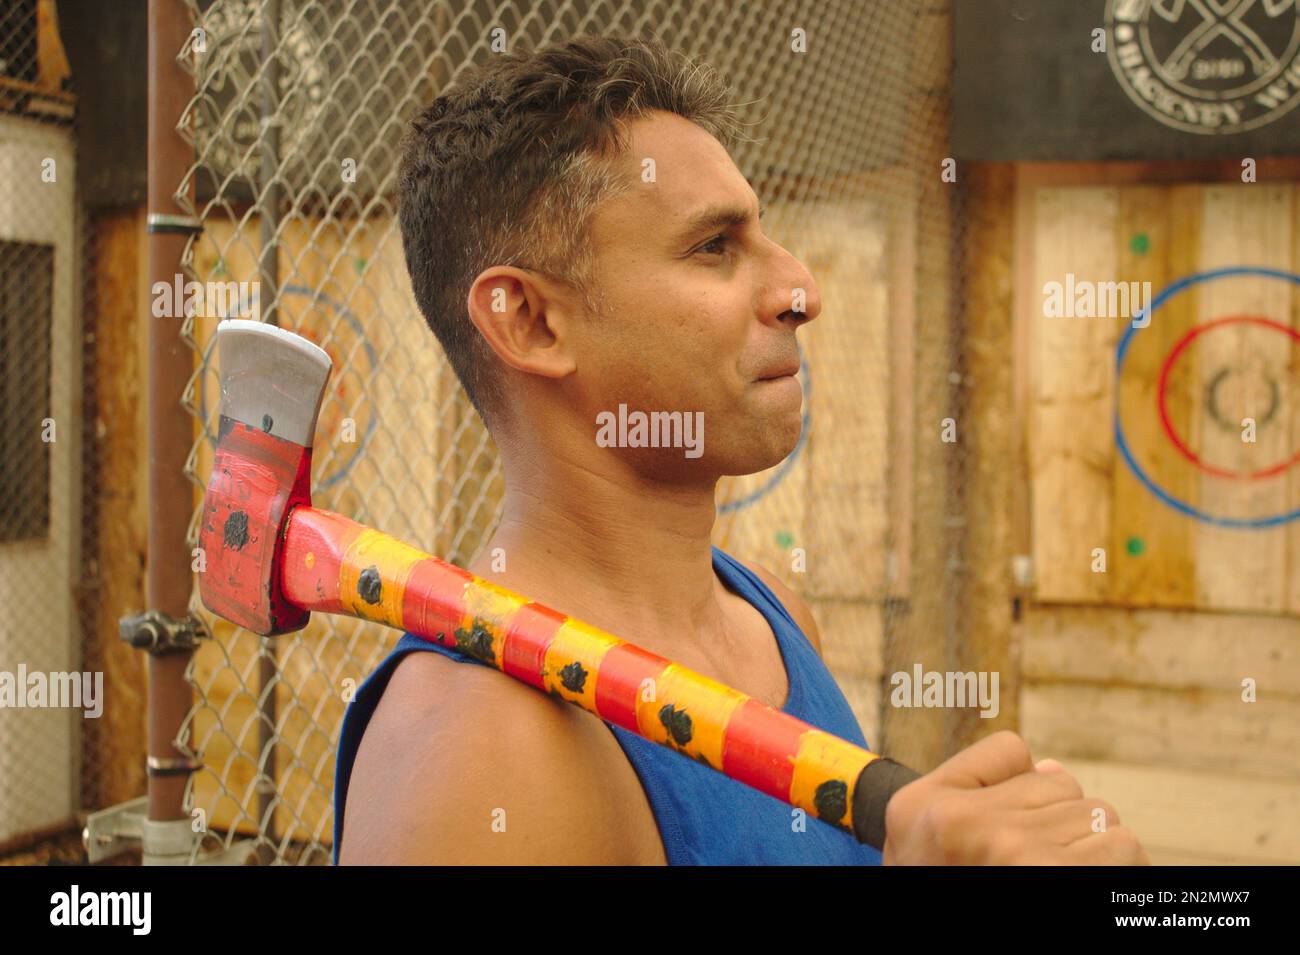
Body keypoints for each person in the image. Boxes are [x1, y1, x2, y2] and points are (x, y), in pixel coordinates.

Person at [333, 34, 1149, 866]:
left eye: (764, 234)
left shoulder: (774, 618)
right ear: (532, 322)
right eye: (713, 247)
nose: (802, 289)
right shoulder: (481, 747)